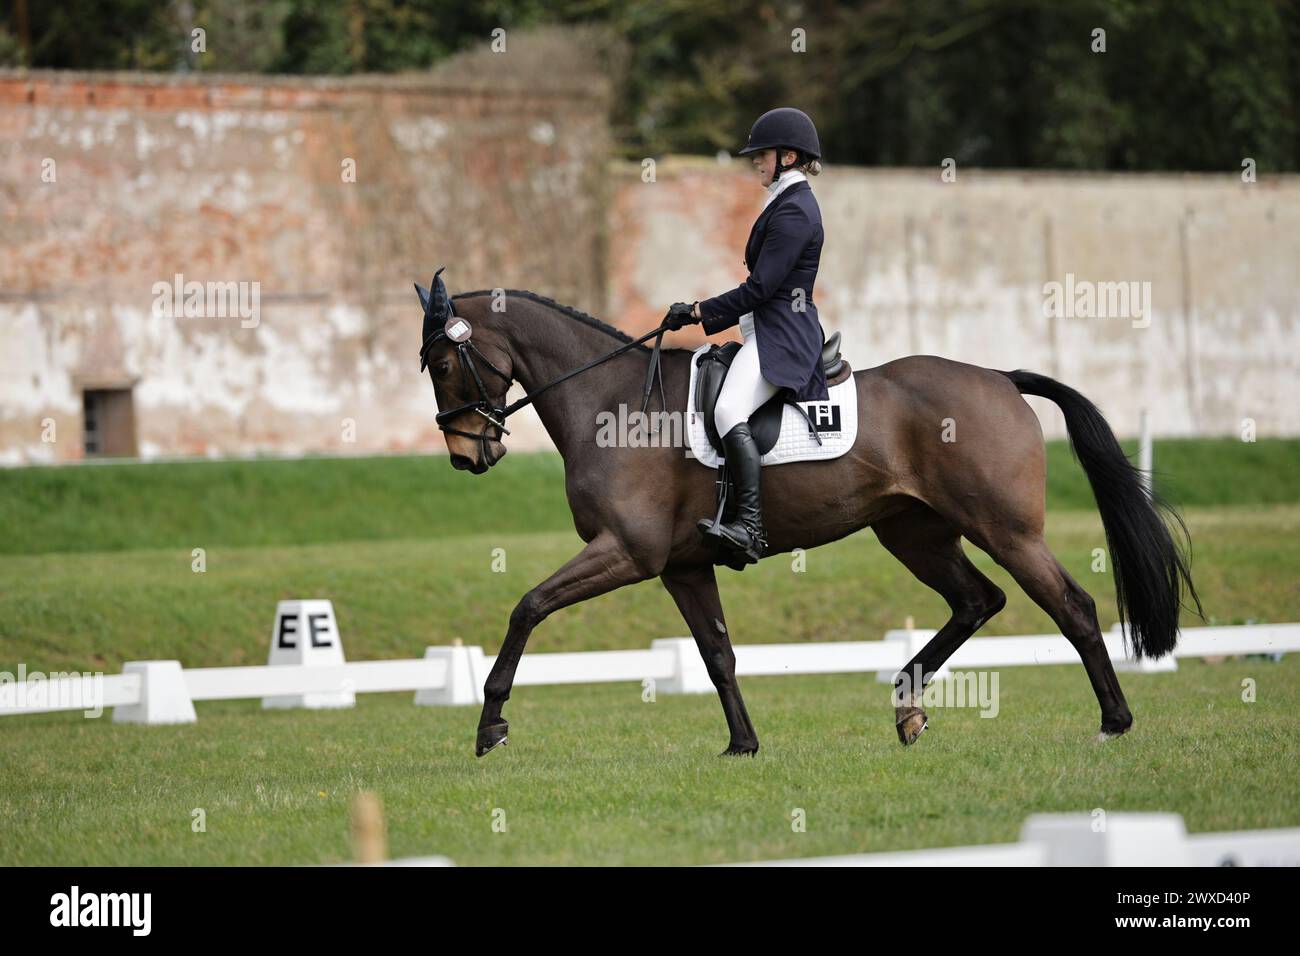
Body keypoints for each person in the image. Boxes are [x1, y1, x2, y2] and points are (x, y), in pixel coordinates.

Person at [666, 107, 829, 565]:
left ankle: (750, 528)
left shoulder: (795, 210)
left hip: (784, 339)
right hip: (769, 331)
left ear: (789, 156)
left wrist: (699, 312)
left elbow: (760, 288)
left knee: (728, 409)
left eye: (762, 154)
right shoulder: (785, 201)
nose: (756, 161)